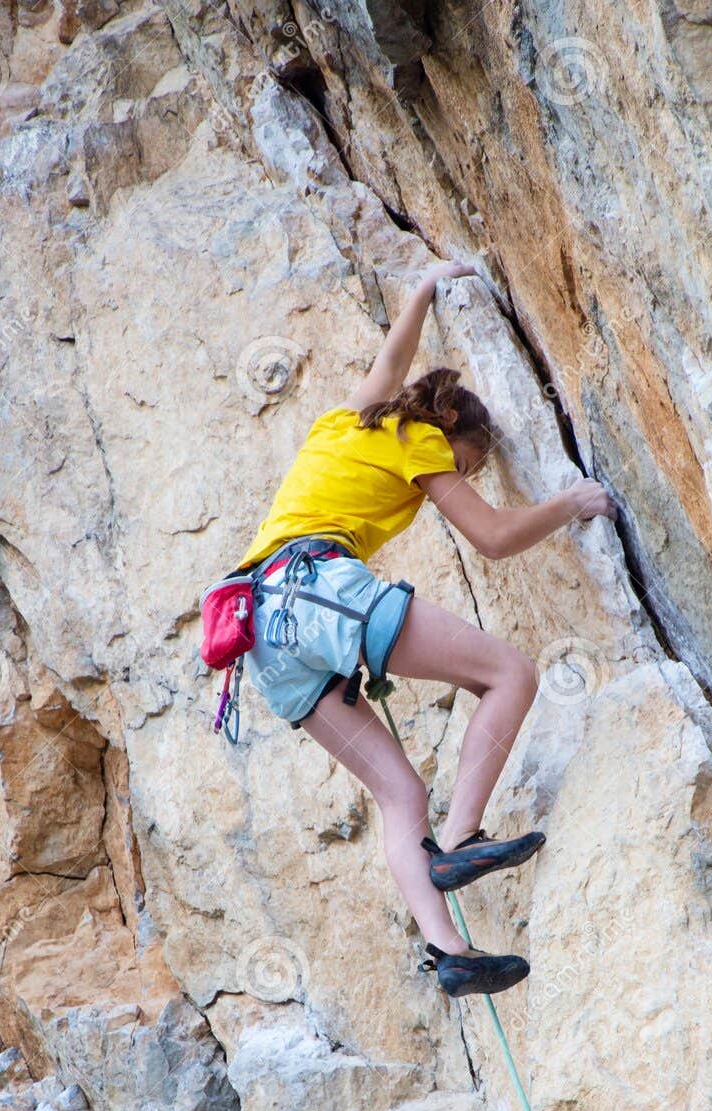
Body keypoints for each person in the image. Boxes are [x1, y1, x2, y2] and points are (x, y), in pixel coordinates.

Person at [234, 260, 615, 996]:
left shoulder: (348, 421)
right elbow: (493, 537)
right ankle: (464, 836)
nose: (461, 477)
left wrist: (421, 291)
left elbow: (390, 362)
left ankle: (450, 953)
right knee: (510, 673)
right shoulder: (423, 440)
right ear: (449, 432)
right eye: (468, 464)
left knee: (401, 797)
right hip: (316, 589)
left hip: (262, 632)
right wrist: (572, 503)